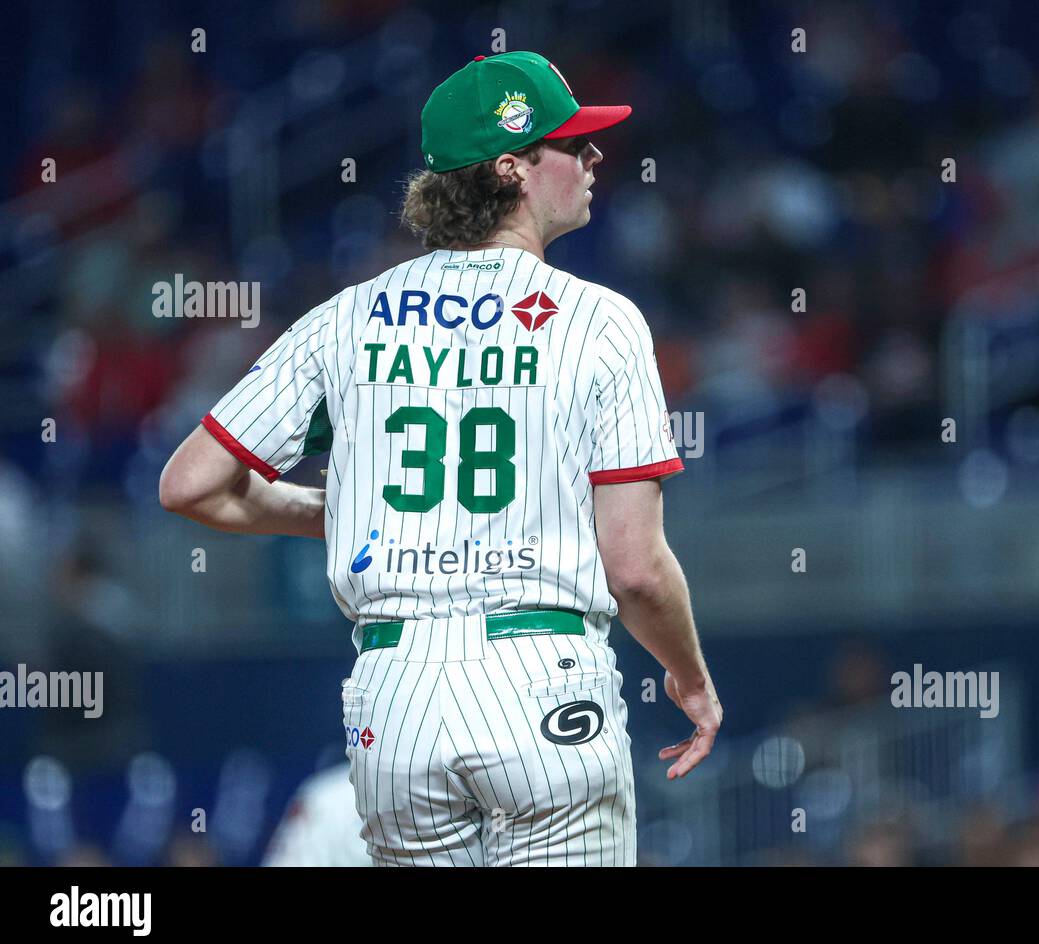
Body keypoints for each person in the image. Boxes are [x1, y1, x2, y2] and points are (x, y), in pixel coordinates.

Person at [159, 51, 721, 866]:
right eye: (571, 143)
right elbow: (634, 566)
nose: (594, 157)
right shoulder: (600, 322)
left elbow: (187, 482)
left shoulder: (347, 316)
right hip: (543, 675)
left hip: (393, 694)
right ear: (511, 169)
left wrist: (335, 517)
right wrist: (692, 679)